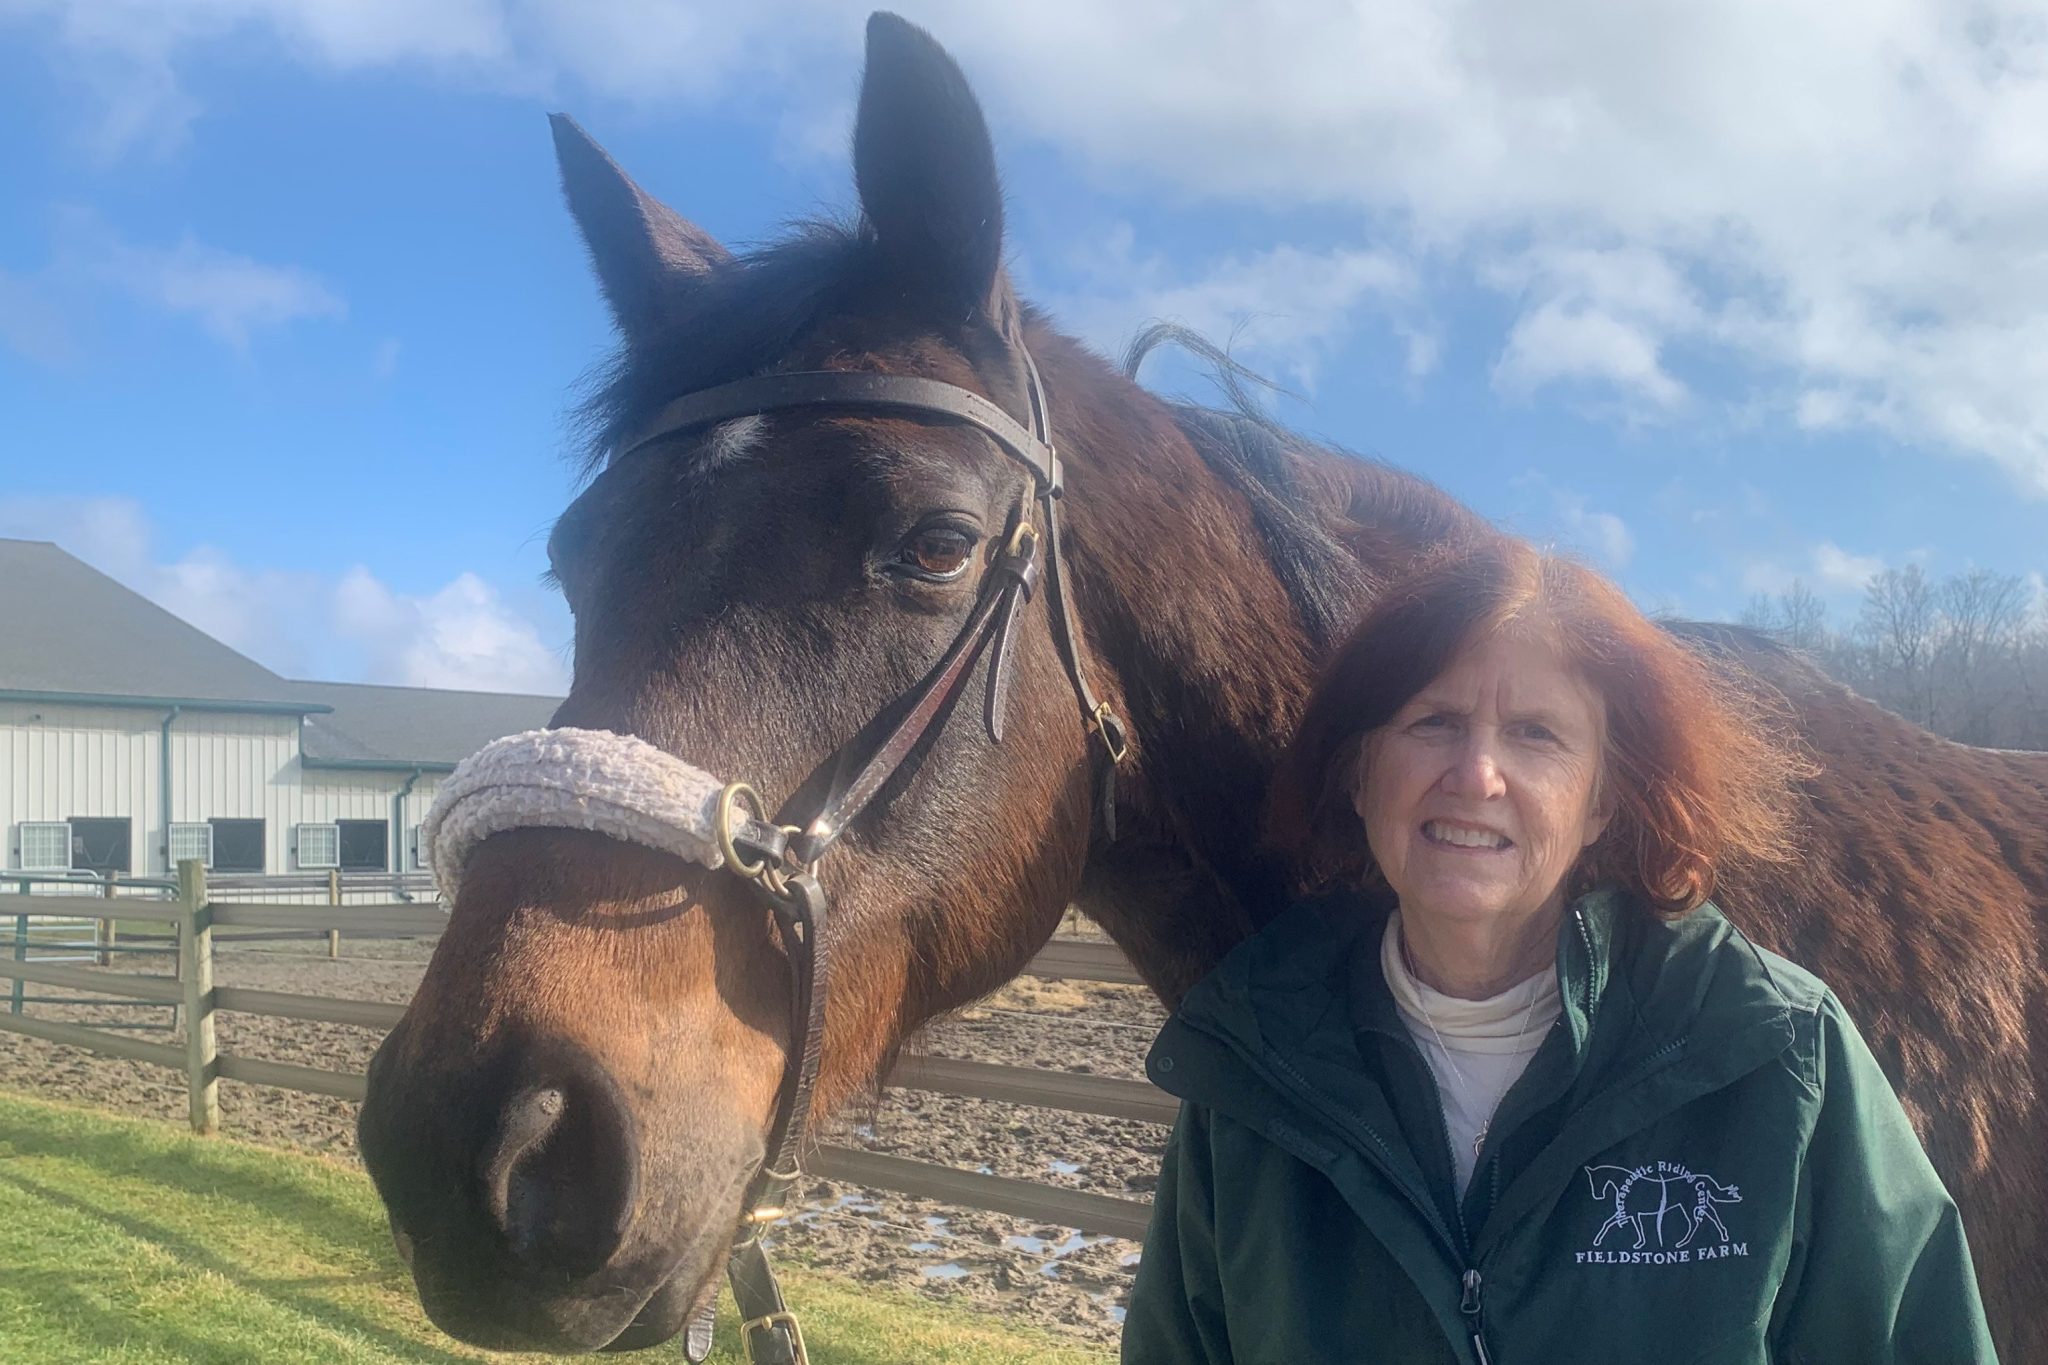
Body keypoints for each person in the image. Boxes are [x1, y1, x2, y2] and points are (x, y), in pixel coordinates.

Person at [1122, 536, 1997, 1364]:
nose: (1476, 774)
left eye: (1536, 733)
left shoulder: (1778, 1054)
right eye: (1433, 720)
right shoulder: (1253, 1073)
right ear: (1359, 772)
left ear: (1602, 804)